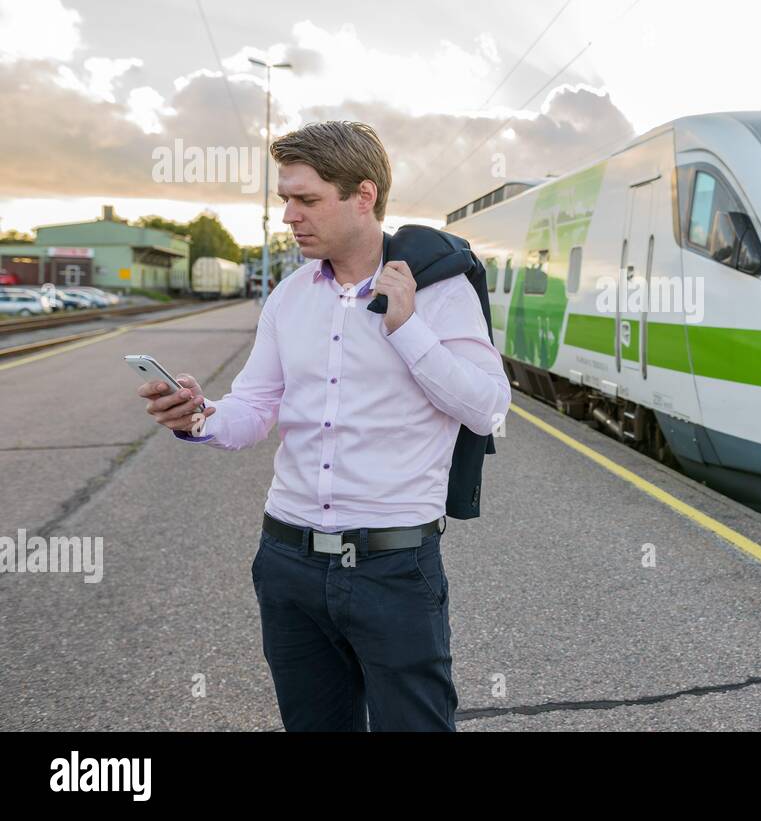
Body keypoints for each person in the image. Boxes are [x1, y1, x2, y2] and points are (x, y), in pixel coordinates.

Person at [138, 120, 511, 731]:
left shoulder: (439, 294)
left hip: (392, 567)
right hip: (288, 563)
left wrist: (406, 327)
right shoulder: (289, 297)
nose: (288, 215)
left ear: (363, 196)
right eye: (286, 198)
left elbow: (488, 407)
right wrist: (200, 415)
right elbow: (255, 408)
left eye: (306, 199)